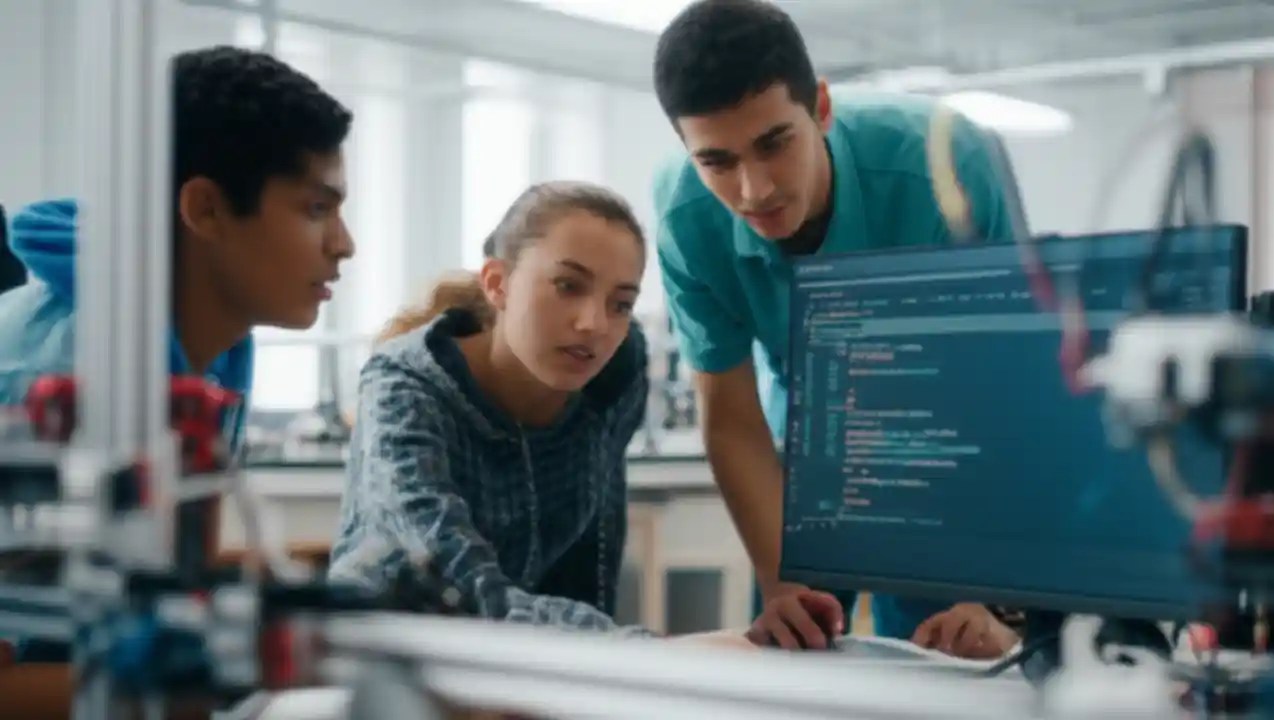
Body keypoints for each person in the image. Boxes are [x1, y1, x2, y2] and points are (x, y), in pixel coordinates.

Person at [651, 0, 1019, 657]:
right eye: (716, 161)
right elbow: (730, 415)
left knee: (948, 652)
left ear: (821, 107)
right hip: (803, 443)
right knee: (795, 649)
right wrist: (782, 582)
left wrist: (982, 589)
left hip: (944, 429)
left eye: (774, 143)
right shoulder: (687, 220)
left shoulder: (944, 164)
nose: (754, 188)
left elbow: (1000, 384)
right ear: (687, 151)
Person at [0, 42, 355, 703]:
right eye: (316, 209)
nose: (344, 243)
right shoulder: (47, 385)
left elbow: (168, 577)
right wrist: (222, 664)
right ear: (206, 210)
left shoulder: (213, 345)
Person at [327, 181, 746, 648]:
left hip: (529, 667)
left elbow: (592, 559)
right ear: (496, 283)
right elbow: (463, 591)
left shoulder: (617, 371)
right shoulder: (405, 388)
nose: (594, 324)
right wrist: (657, 653)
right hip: (390, 660)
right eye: (568, 286)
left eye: (621, 303)